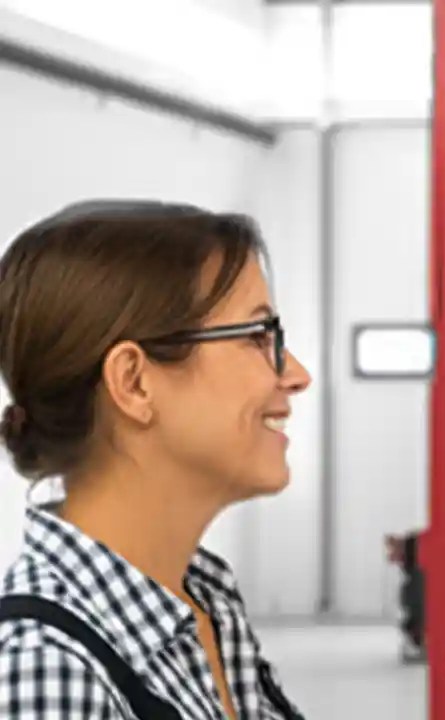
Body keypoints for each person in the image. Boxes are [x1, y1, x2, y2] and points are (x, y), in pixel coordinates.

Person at [0, 200, 313, 719]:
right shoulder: (47, 670)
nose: (296, 373)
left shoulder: (206, 603)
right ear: (135, 382)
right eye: (258, 337)